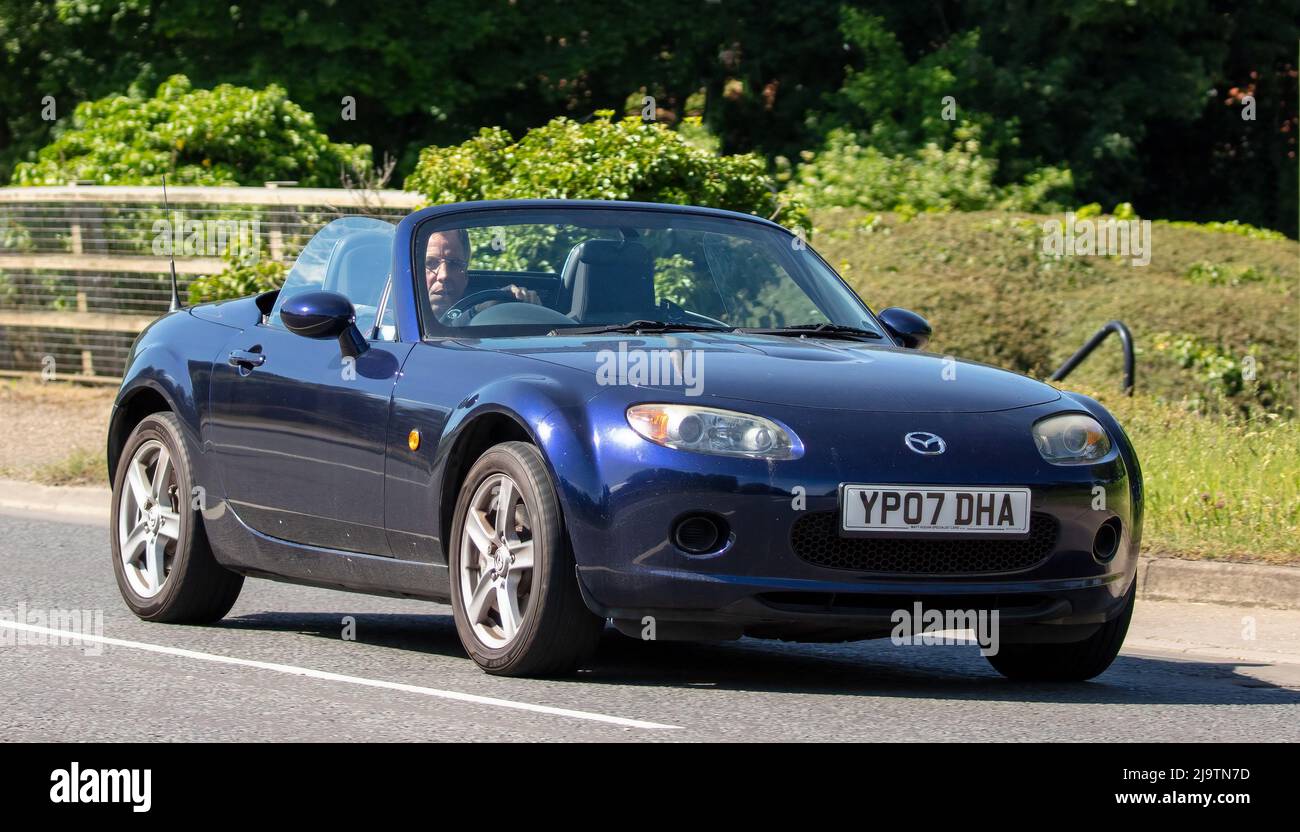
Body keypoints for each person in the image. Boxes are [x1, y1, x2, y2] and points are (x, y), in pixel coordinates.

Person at [425, 228, 540, 321]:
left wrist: (525, 306)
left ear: (465, 276)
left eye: (455, 264)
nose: (444, 275)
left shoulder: (488, 320)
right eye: (429, 263)